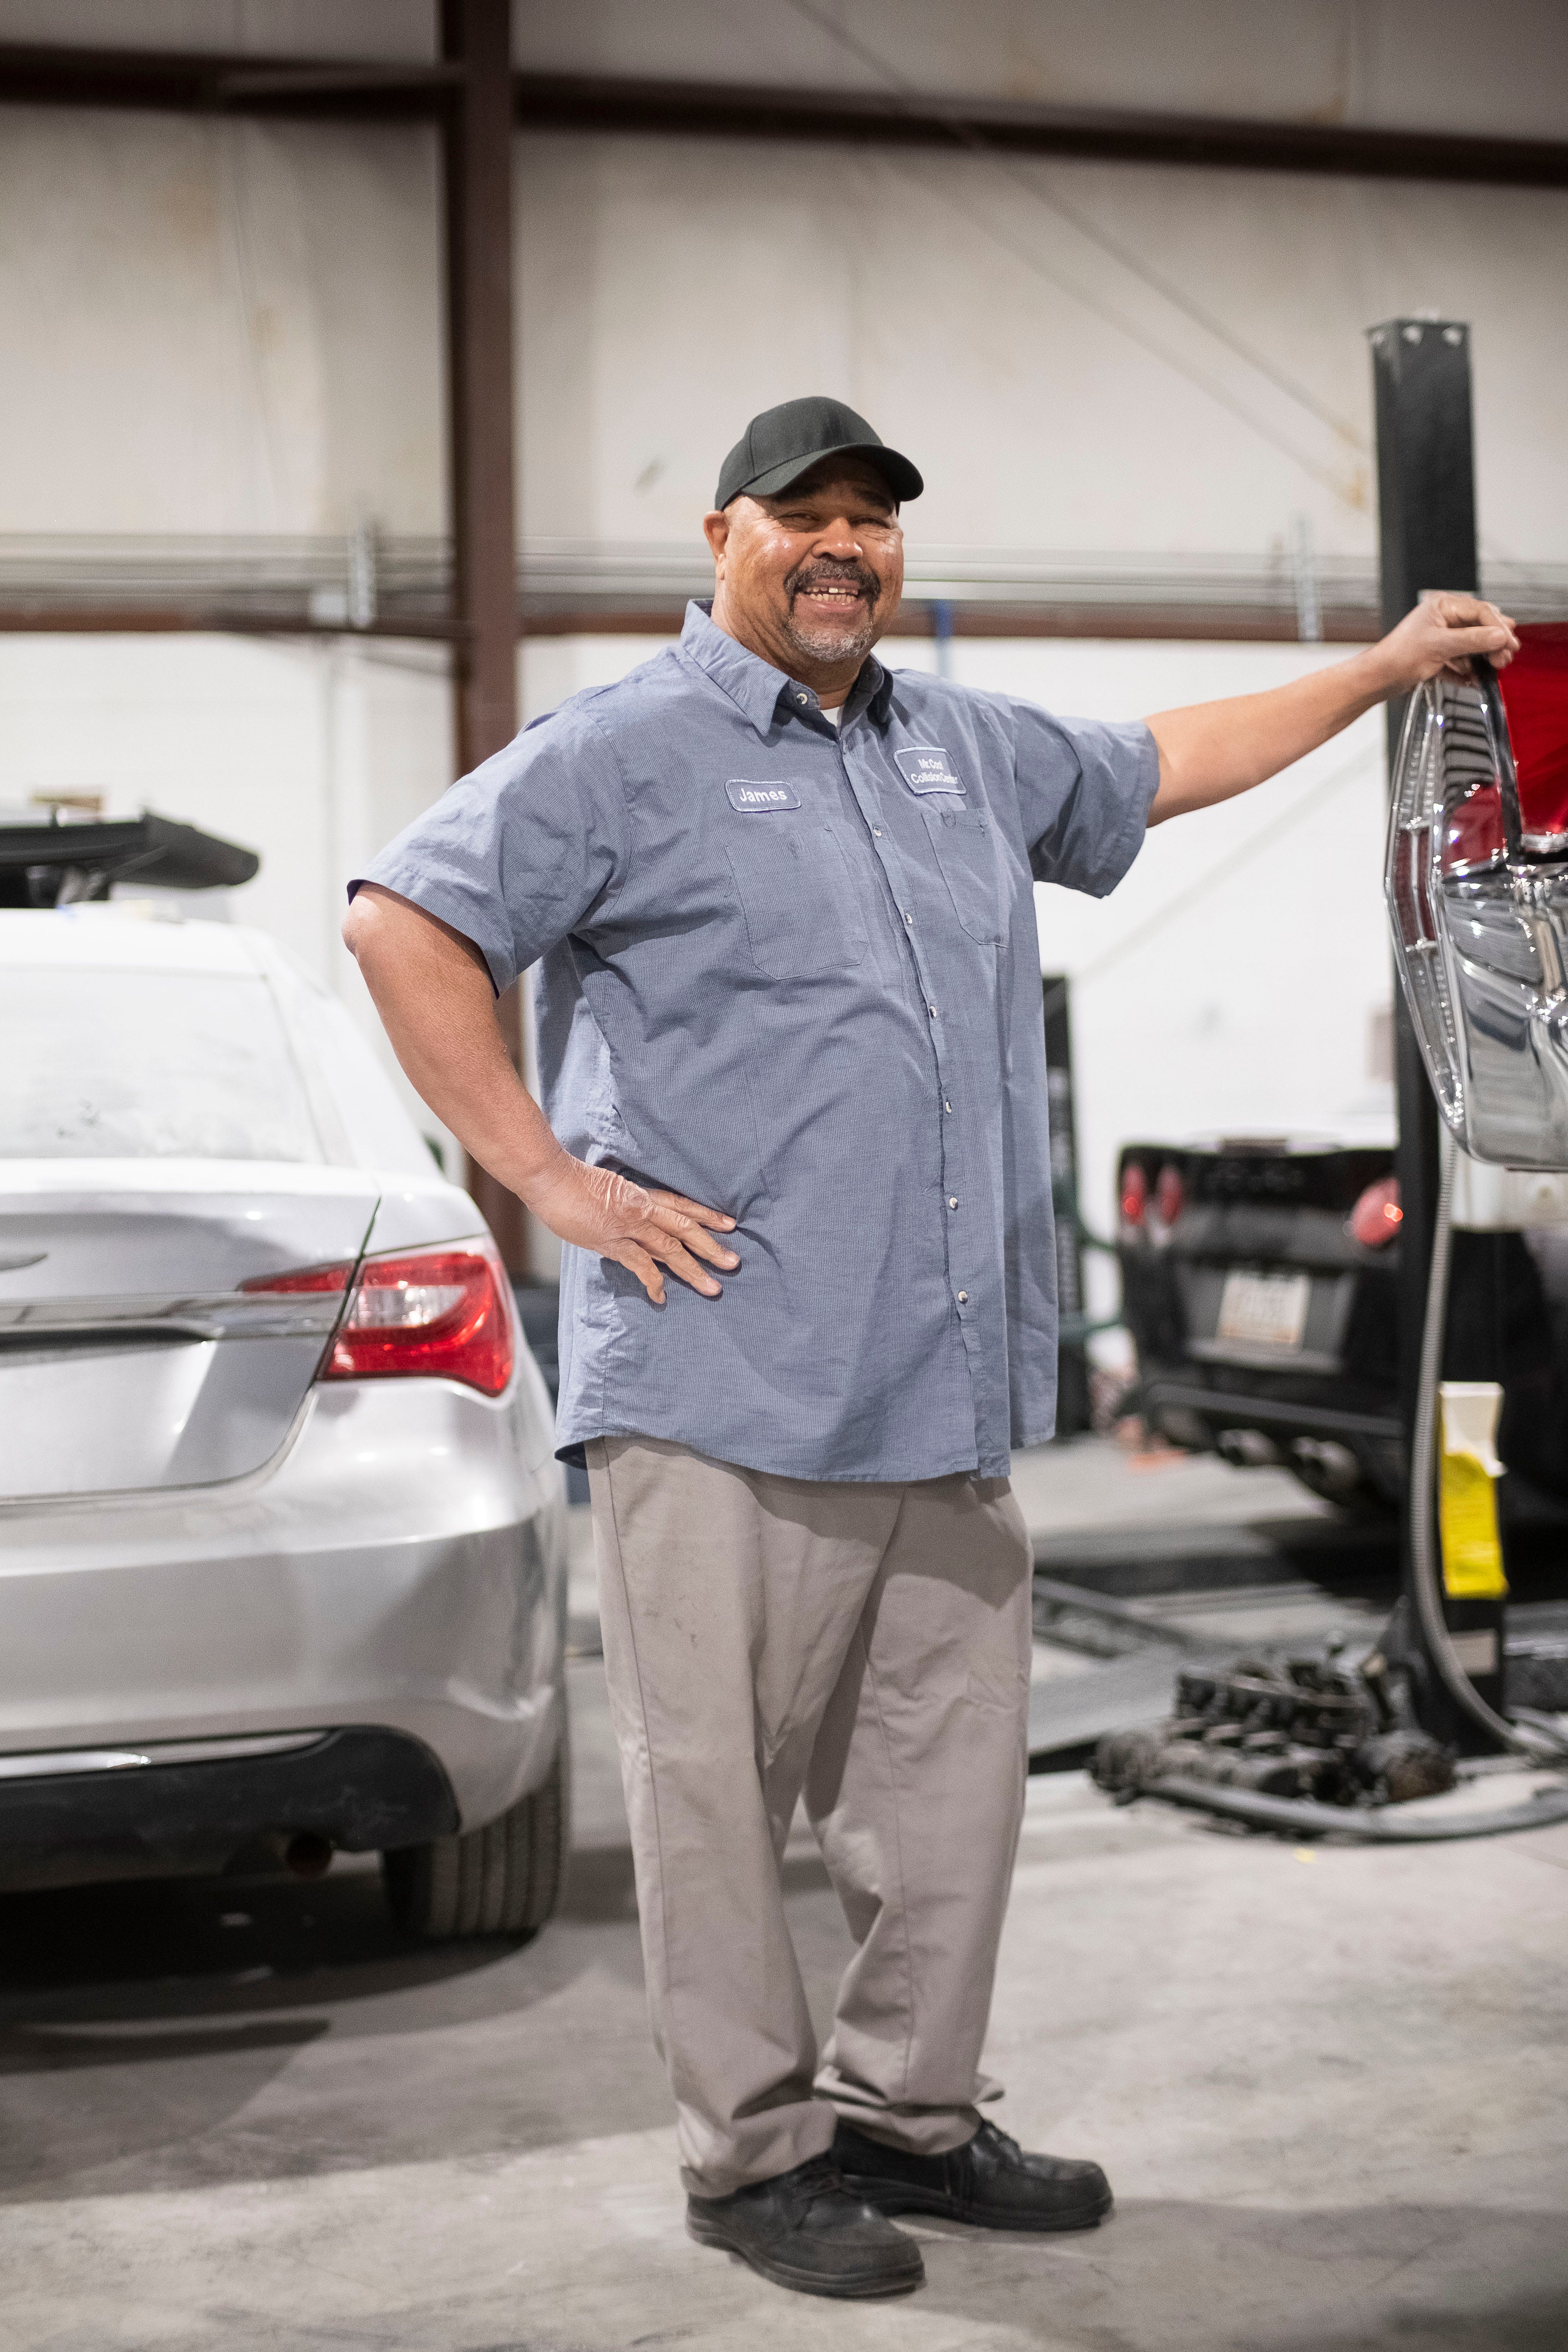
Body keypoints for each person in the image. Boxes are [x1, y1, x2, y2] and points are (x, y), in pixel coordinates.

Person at [344, 395, 1517, 2302]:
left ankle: (912, 2116)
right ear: (719, 539)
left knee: (943, 1787)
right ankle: (754, 2159)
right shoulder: (621, 752)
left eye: (872, 523)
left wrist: (1382, 672)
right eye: (802, 516)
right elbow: (406, 918)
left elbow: (1165, 758)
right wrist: (544, 1175)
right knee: (718, 1795)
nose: (842, 548)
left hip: (940, 1380)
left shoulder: (957, 746)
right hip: (725, 1383)